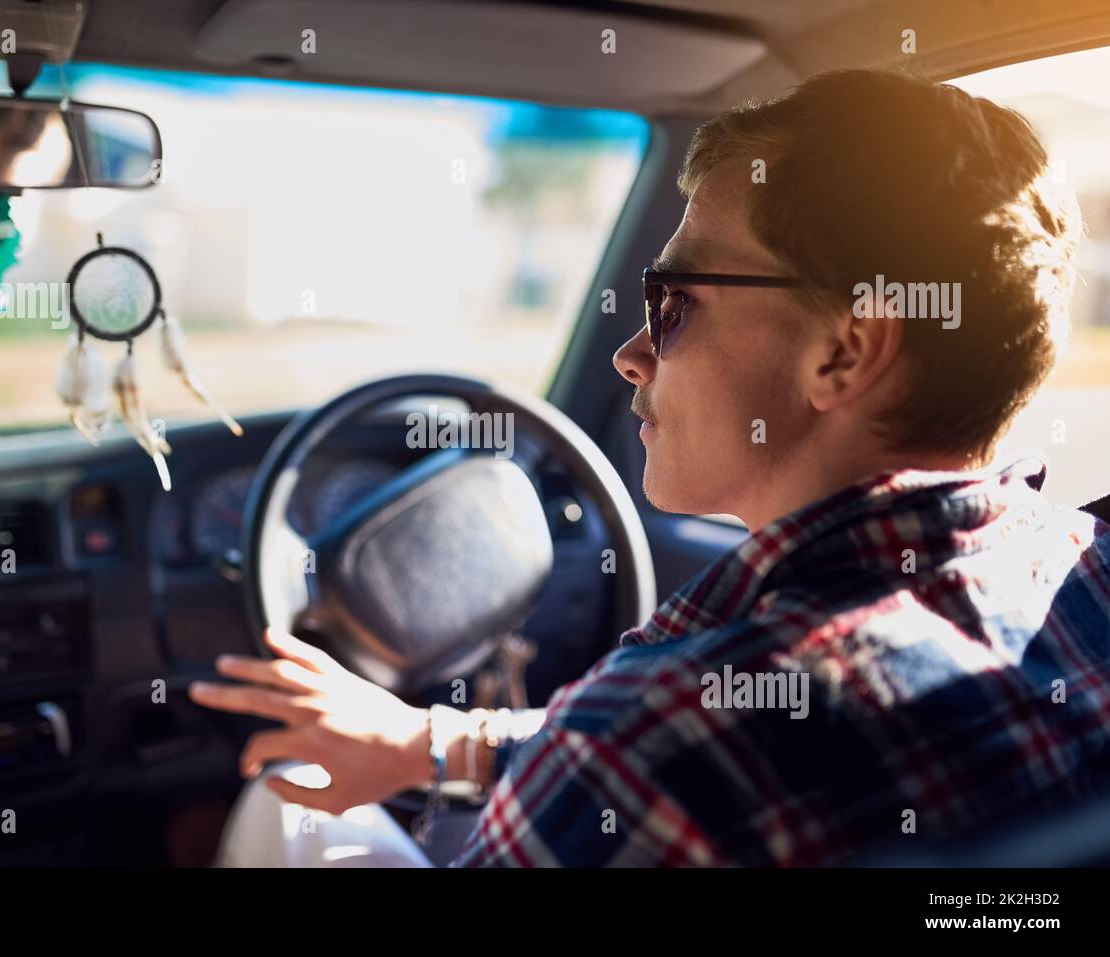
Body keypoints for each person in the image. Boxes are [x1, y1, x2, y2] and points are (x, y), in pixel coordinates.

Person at [189, 67, 1110, 866]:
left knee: (288, 797)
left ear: (845, 352)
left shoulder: (654, 735)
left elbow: (652, 763)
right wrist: (432, 741)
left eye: (674, 302)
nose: (632, 353)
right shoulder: (1084, 570)